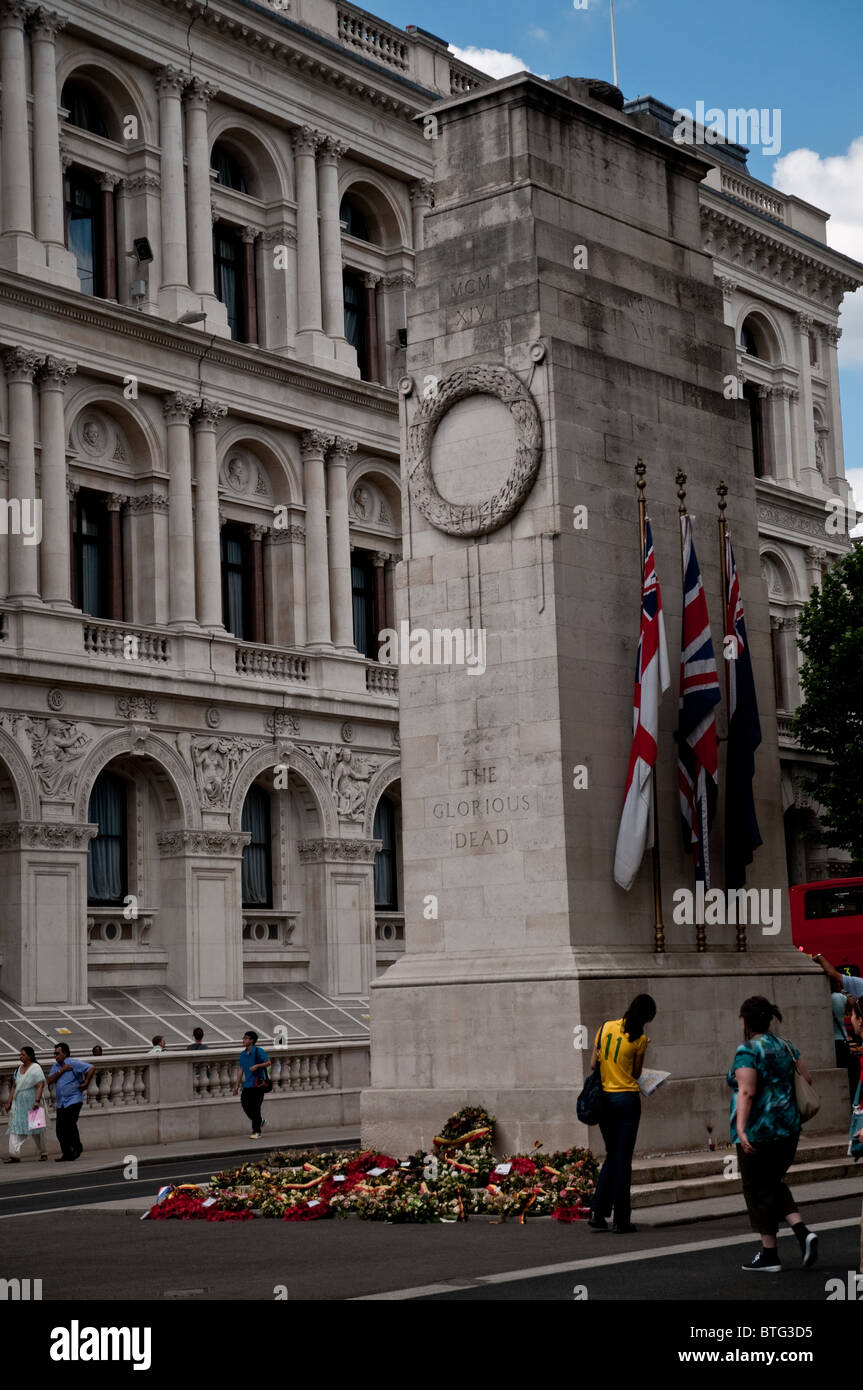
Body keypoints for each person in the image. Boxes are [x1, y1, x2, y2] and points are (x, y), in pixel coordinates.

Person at [727, 995, 817, 1273]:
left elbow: (747, 1091)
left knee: (757, 1189)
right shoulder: (786, 1046)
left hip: (759, 1131)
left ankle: (770, 1254)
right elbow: (807, 1078)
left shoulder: (748, 1051)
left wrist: (741, 1128)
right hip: (788, 1130)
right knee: (771, 1184)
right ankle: (802, 1233)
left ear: (745, 1021)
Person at [588, 993, 657, 1234]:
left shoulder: (605, 1027)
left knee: (613, 1154)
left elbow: (593, 1065)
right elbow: (637, 1074)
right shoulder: (640, 1039)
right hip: (626, 1100)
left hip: (604, 1100)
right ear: (646, 1018)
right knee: (622, 1158)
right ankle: (621, 1219)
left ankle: (598, 1211)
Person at [47, 1043, 94, 1162]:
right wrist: (62, 1070)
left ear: (65, 1053)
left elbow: (91, 1068)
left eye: (57, 1053)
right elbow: (49, 1080)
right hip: (61, 1102)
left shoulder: (73, 1063)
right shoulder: (56, 1066)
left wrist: (86, 1082)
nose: (55, 1056)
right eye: (54, 1053)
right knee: (60, 1130)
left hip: (74, 1100)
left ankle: (77, 1147)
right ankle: (67, 1153)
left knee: (70, 1125)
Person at [3, 1046, 47, 1163]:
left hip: (32, 1103)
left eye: (23, 1054)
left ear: (29, 1056)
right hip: (19, 1104)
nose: (20, 1057)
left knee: (37, 1129)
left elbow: (40, 1085)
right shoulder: (19, 1069)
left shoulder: (36, 1068)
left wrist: (37, 1101)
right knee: (15, 1127)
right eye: (20, 1054)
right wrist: (9, 1102)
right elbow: (14, 1086)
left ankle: (43, 1152)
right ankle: (14, 1155)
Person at [232, 1031, 270, 1139]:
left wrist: (257, 1066)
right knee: (245, 1105)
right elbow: (240, 1070)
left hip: (258, 1085)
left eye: (246, 1038)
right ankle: (260, 1121)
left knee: (256, 1108)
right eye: (243, 1038)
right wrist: (236, 1086)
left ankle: (256, 1132)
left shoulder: (258, 1051)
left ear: (252, 1040)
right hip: (247, 1085)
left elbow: (268, 1062)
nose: (243, 1040)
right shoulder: (243, 1054)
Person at [831, 989, 859, 1102]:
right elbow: (852, 1004)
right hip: (841, 1040)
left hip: (830, 1042)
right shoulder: (838, 997)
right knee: (851, 1076)